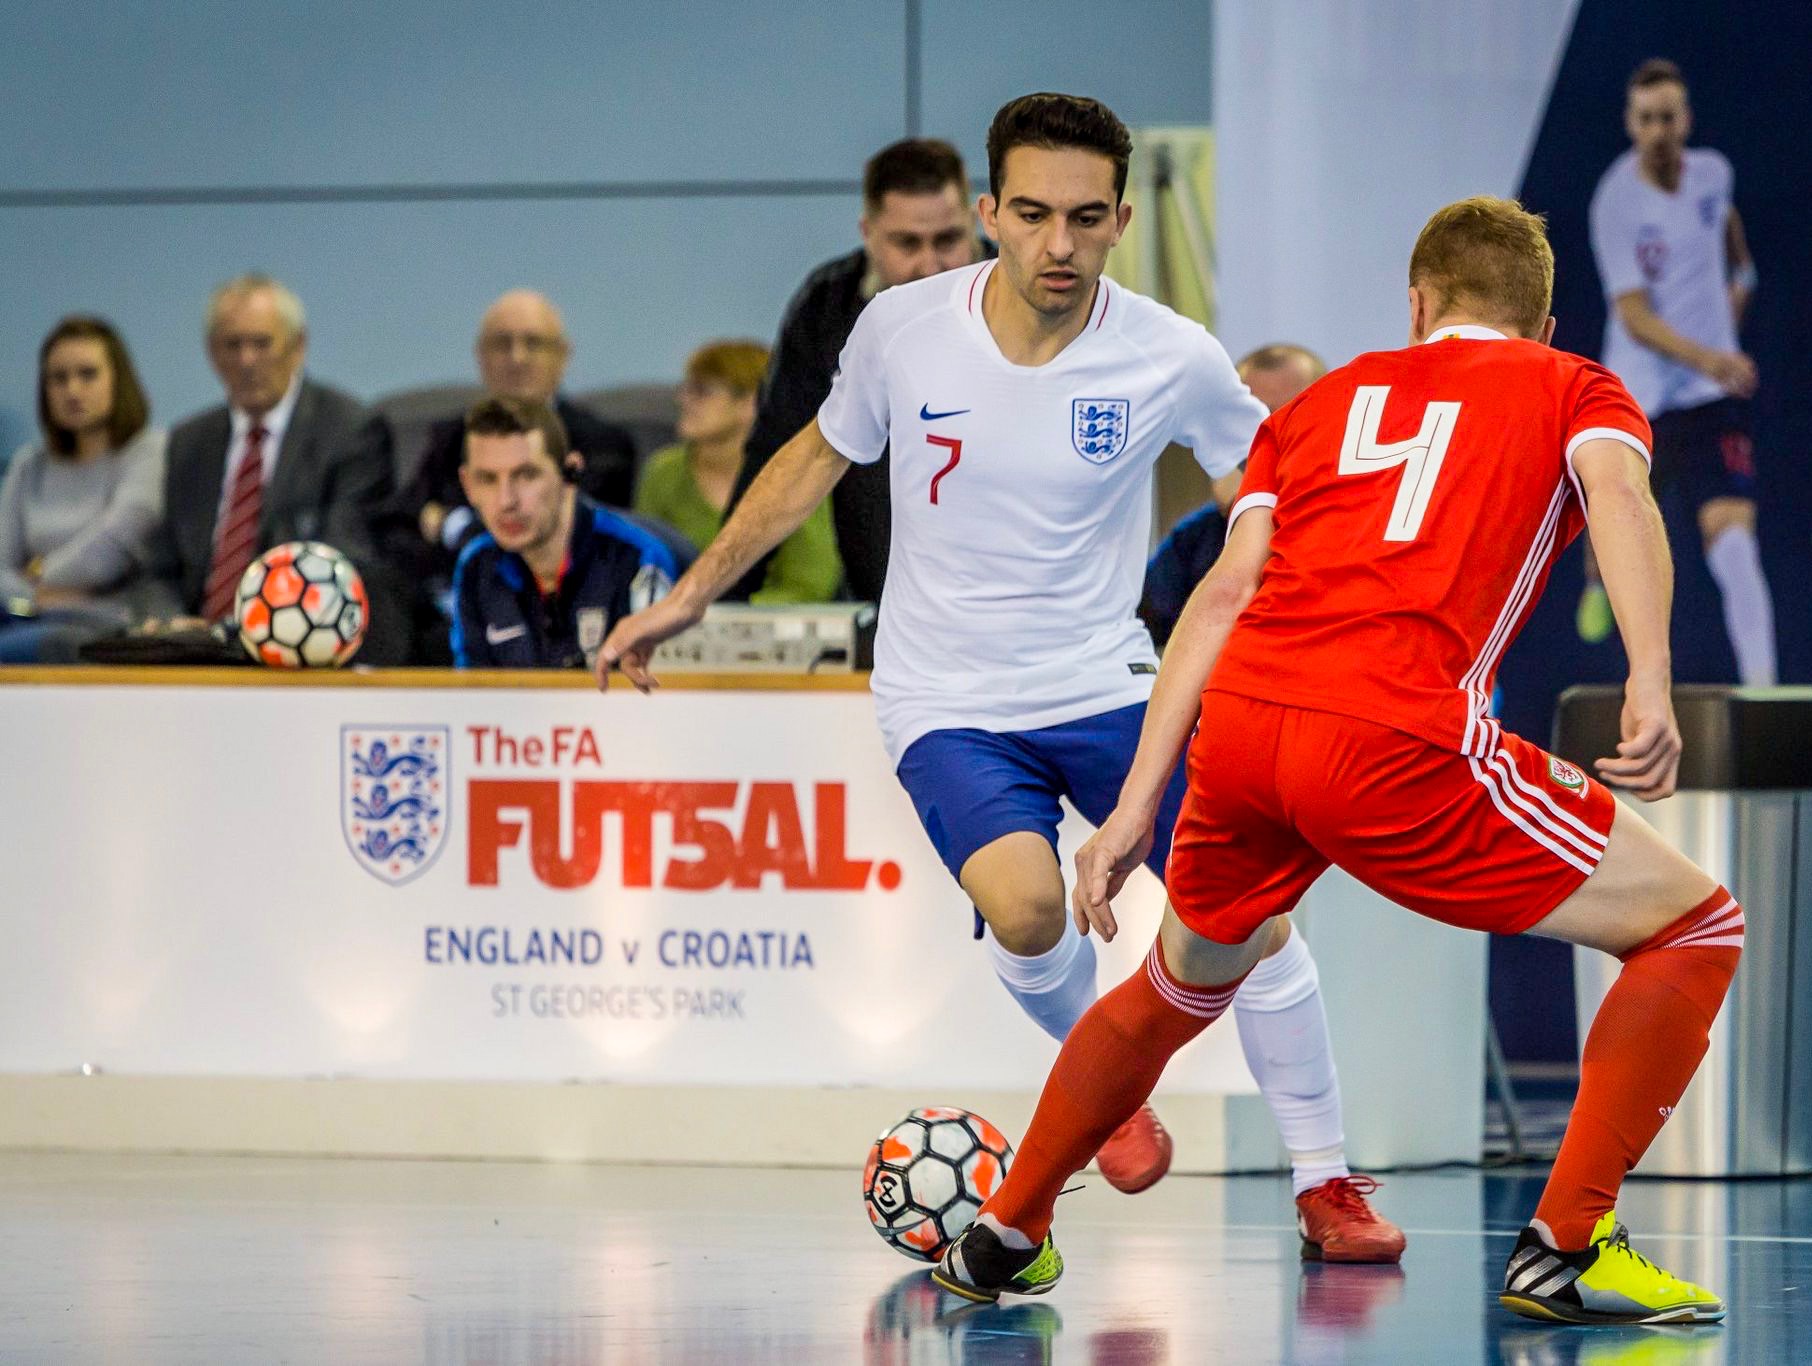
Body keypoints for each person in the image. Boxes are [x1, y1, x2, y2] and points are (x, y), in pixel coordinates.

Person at [599, 93, 1401, 1260]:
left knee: (1252, 918)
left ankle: (1327, 1184)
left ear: (1123, 217)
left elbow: (1265, 499)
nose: (1057, 245)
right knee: (1025, 907)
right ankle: (1108, 1092)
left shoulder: (1171, 354)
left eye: (1085, 218)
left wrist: (1338, 621)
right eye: (1030, 214)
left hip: (1109, 680)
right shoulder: (900, 330)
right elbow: (814, 458)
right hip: (944, 700)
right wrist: (688, 595)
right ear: (989, 213)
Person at [933, 197, 1740, 1329]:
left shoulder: (1316, 405)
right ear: (1545, 322)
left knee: (1175, 987)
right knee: (1698, 925)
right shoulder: (1575, 387)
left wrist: (1128, 815)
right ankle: (1569, 1246)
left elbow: (1222, 594)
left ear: (1417, 306)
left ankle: (1005, 1231)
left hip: (1247, 733)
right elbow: (1619, 495)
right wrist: (1649, 678)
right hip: (1394, 735)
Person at [1578, 59, 1773, 684]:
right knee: (1618, 543)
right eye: (1646, 120)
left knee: (1735, 546)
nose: (1659, 130)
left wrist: (1735, 300)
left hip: (1712, 398)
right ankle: (1597, 585)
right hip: (1639, 397)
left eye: (1669, 117)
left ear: (1685, 119)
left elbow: (1737, 256)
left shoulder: (1715, 174)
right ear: (1631, 125)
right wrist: (1712, 354)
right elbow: (1634, 316)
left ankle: (1766, 694)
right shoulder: (1615, 202)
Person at [723, 138, 985, 605]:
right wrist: (717, 607)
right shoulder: (828, 306)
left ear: (975, 223)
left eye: (948, 240)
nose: (929, 266)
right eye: (907, 243)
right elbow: (777, 452)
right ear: (868, 233)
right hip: (882, 597)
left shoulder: (1022, 301)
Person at [142, 274, 405, 662]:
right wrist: (170, 622)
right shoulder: (189, 442)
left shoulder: (348, 430)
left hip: (292, 643)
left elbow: (342, 559)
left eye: (262, 344)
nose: (247, 360)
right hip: (191, 648)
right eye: (233, 345)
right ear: (212, 352)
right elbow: (159, 566)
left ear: (298, 347)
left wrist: (238, 627)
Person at [397, 290, 638, 568]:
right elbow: (403, 520)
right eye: (502, 344)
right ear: (480, 356)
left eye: (533, 343)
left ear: (563, 356)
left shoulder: (603, 445)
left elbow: (565, 534)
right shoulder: (452, 436)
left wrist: (450, 523)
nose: (517, 358)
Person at [452, 398, 682, 669]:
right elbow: (473, 697)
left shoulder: (639, 557)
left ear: (570, 472)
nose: (506, 501)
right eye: (487, 479)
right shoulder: (476, 566)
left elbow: (659, 695)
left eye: (526, 475)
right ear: (467, 485)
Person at [0, 317, 165, 662]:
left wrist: (34, 572)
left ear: (118, 380)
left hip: (109, 624)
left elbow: (110, 552)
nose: (72, 390)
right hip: (20, 615)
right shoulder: (29, 465)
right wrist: (34, 597)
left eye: (87, 374)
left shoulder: (147, 452)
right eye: (58, 378)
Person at [1141, 344, 1326, 646]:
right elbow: (1146, 627)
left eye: (1289, 413)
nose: (1272, 431)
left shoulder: (1357, 520)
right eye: (1255, 418)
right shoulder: (1198, 537)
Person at [635, 340, 841, 603]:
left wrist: (721, 618)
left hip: (773, 632)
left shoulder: (796, 471)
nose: (683, 399)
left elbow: (808, 585)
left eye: (701, 391)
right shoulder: (663, 471)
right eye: (686, 387)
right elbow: (645, 564)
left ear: (752, 403)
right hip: (677, 627)